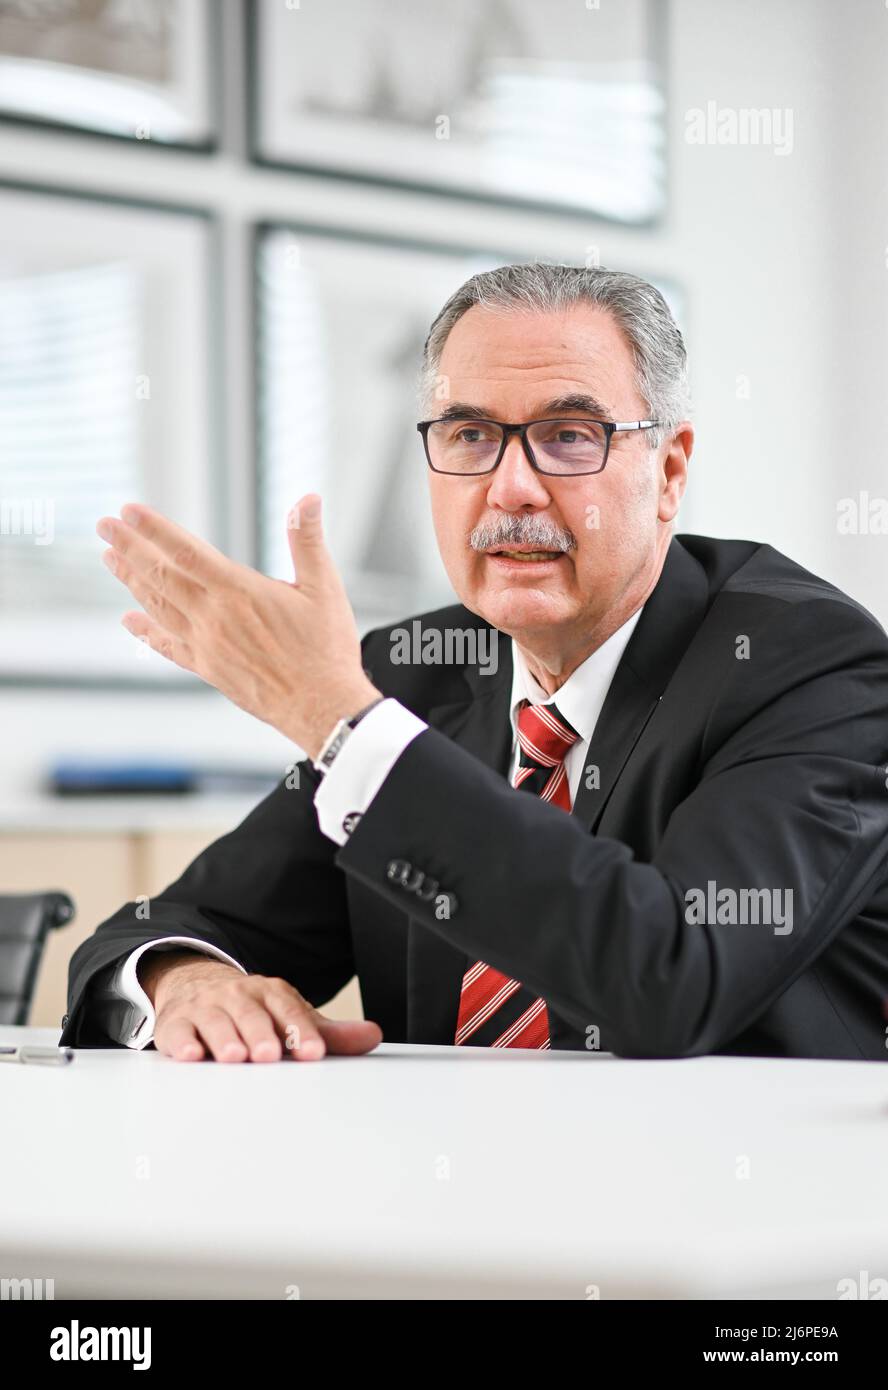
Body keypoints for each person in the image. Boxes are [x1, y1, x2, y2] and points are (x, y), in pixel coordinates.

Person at [61, 263, 888, 1063]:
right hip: (443, 1191)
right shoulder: (413, 674)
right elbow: (167, 922)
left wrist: (340, 721)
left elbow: (671, 978)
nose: (511, 488)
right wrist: (187, 978)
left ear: (668, 473)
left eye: (569, 437)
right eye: (470, 435)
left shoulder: (810, 665)